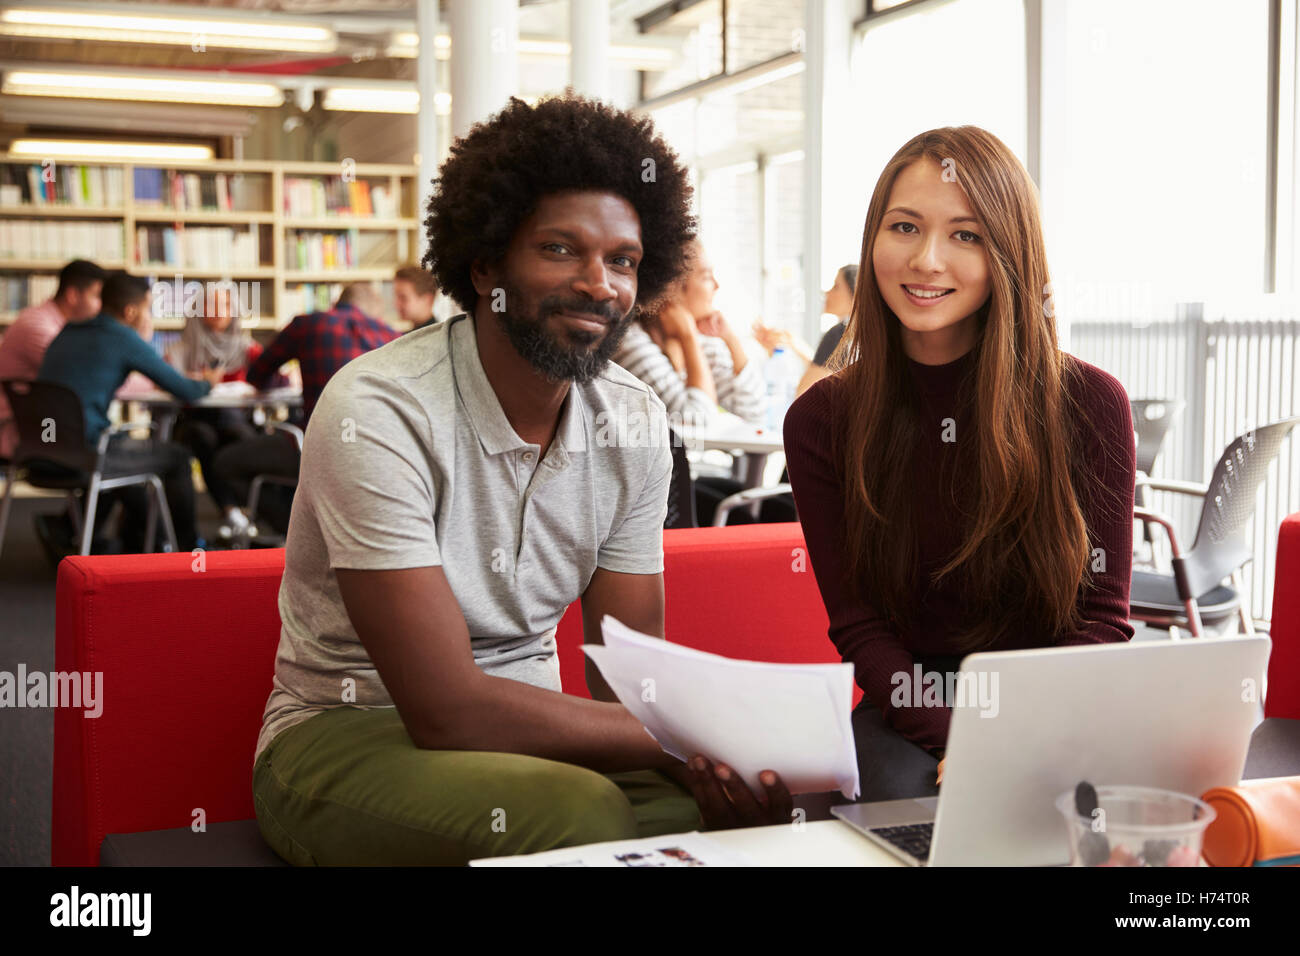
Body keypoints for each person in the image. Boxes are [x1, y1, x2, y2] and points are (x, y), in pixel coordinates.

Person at [252, 93, 791, 867]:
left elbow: (627, 678)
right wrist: (698, 729)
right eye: (560, 250)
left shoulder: (634, 422)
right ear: (484, 265)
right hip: (344, 734)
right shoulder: (378, 409)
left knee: (729, 810)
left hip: (537, 732)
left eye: (623, 261)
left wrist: (713, 753)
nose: (599, 284)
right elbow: (443, 710)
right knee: (581, 813)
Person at [783, 126, 1135, 803]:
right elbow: (858, 624)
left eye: (966, 235)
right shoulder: (823, 419)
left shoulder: (1088, 402)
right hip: (911, 706)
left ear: (1010, 251)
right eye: (904, 227)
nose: (927, 260)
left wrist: (1010, 736)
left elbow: (1103, 619)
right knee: (902, 817)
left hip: (1057, 697)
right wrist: (961, 738)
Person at [37, 272, 212, 553]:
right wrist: (209, 381)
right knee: (177, 457)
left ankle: (135, 542)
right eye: (148, 308)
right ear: (130, 311)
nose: (149, 315)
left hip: (40, 448)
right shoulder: (121, 338)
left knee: (123, 456)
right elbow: (186, 390)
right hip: (84, 454)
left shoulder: (67, 332)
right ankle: (187, 548)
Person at [210, 282, 397, 536]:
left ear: (338, 301)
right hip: (377, 453)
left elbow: (257, 374)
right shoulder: (391, 335)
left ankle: (297, 532)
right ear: (372, 309)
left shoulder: (309, 324)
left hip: (319, 446)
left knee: (225, 463)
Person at [612, 239, 766, 429]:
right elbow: (697, 421)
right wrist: (688, 337)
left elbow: (754, 415)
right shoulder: (631, 343)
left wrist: (731, 340)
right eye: (706, 277)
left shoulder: (706, 345)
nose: (716, 285)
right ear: (672, 289)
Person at [166, 285, 262, 537]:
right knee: (202, 437)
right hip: (193, 421)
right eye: (212, 304)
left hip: (237, 420)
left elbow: (272, 378)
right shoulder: (180, 350)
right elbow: (163, 380)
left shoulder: (247, 348)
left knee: (239, 435)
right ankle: (230, 511)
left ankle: (244, 510)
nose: (220, 311)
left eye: (226, 305)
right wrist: (196, 379)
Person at [0, 259, 105, 460]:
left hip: (40, 426)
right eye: (97, 297)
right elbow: (89, 374)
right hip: (26, 432)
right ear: (73, 295)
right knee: (111, 453)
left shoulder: (64, 329)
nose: (101, 308)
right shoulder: (37, 327)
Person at [796, 264, 858, 397]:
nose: (827, 293)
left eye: (836, 287)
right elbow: (825, 370)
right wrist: (795, 346)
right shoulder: (858, 335)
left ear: (855, 296)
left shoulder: (840, 334)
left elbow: (802, 393)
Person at [394, 263, 439, 331]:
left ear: (427, 300)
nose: (396, 304)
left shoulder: (437, 338)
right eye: (397, 297)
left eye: (403, 298)